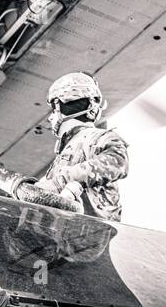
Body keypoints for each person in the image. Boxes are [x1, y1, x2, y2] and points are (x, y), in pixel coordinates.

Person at [35, 72, 129, 221]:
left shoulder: (95, 137)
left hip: (89, 233)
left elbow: (117, 161)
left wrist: (62, 181)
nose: (50, 117)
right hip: (61, 233)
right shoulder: (65, 152)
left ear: (59, 106)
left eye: (53, 110)